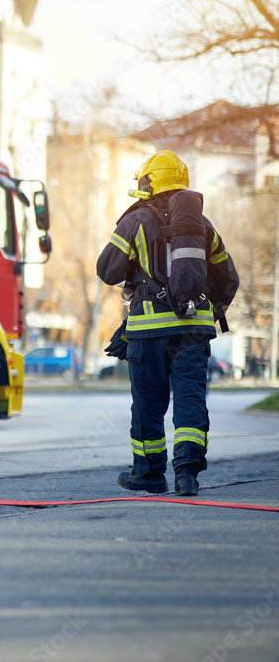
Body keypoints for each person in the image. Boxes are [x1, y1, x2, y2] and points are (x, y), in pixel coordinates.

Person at [97, 150, 240, 496]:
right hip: (194, 331)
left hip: (147, 332)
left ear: (150, 182)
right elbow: (229, 279)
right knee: (191, 397)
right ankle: (187, 475)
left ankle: (148, 474)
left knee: (148, 402)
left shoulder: (136, 221)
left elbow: (107, 270)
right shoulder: (202, 226)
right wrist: (204, 306)